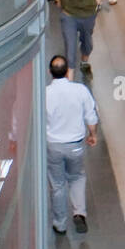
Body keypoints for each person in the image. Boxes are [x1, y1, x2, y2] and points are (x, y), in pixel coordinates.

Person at [46, 55, 99, 236]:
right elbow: (91, 116)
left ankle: (60, 224)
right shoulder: (80, 90)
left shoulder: (45, 94)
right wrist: (93, 135)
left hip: (53, 146)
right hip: (75, 145)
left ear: (49, 73)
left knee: (57, 184)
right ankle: (79, 213)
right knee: (76, 177)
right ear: (68, 71)